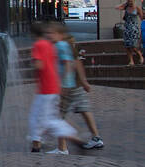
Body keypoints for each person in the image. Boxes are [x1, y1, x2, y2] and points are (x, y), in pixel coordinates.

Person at [27, 21, 87, 155]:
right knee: (38, 116)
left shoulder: (38, 45)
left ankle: (71, 136)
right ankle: (36, 144)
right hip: (52, 87)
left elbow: (39, 65)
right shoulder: (49, 45)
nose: (49, 35)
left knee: (46, 119)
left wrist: (32, 64)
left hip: (46, 89)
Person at [54, 26, 103, 153]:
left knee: (60, 115)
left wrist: (62, 84)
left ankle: (64, 146)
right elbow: (77, 65)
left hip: (69, 86)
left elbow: (71, 65)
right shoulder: (70, 47)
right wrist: (84, 82)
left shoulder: (62, 46)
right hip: (76, 85)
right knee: (84, 109)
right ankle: (96, 137)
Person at [114, 0, 144, 66]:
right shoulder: (126, 7)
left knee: (133, 45)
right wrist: (124, 4)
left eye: (131, 1)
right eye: (129, 1)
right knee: (127, 46)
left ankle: (140, 55)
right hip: (127, 28)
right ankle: (131, 61)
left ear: (134, 1)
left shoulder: (137, 8)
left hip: (134, 29)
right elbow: (116, 7)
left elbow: (142, 17)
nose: (130, 3)